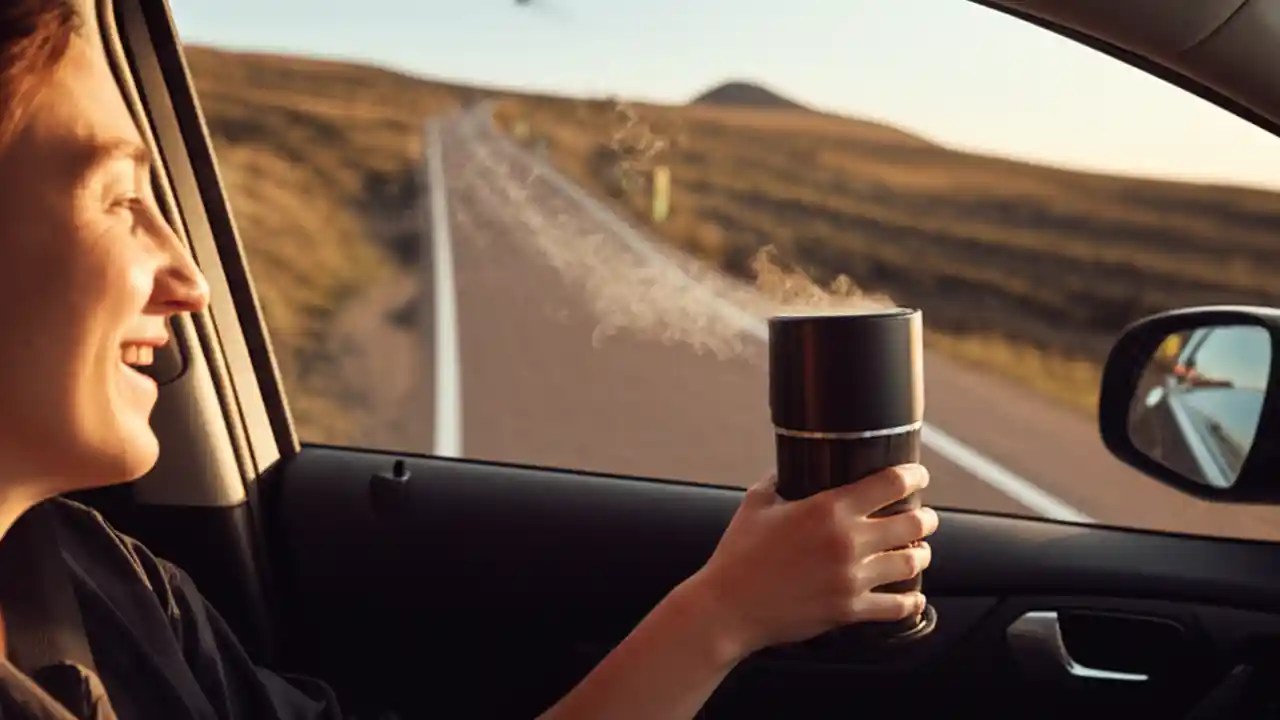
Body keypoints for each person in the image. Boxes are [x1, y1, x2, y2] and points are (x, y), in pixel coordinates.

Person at [0, 2, 940, 718]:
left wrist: (727, 611)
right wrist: (724, 614)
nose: (189, 280)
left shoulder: (99, 577)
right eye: (121, 200)